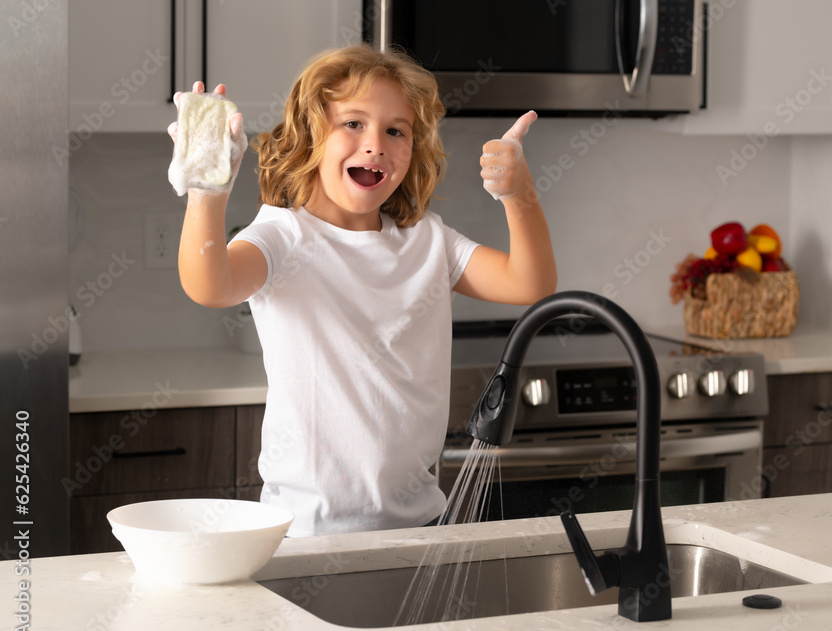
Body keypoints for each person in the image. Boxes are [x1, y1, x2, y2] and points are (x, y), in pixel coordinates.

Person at [171, 44, 556, 536]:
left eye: (396, 130)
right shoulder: (283, 237)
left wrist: (520, 196)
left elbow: (532, 282)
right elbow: (210, 284)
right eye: (353, 123)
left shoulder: (430, 242)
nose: (376, 143)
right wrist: (207, 187)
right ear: (309, 136)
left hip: (422, 523)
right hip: (308, 531)